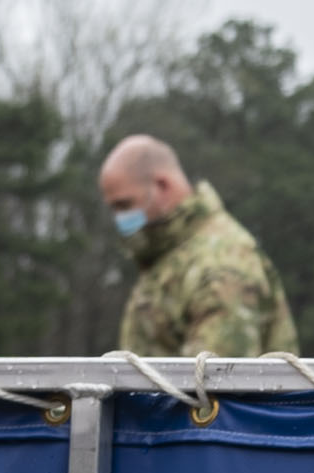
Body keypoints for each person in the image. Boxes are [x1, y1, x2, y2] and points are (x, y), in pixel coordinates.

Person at [99, 133, 296, 358]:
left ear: (163, 186)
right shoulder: (169, 254)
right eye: (114, 208)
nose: (120, 217)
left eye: (125, 204)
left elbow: (216, 384)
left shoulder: (219, 264)